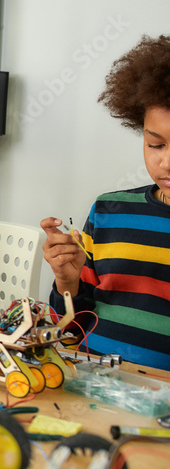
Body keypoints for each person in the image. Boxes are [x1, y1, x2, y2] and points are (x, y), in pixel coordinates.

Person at [42, 35, 170, 370]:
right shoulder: (109, 211)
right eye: (155, 145)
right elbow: (68, 329)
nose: (166, 162)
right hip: (88, 376)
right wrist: (67, 282)